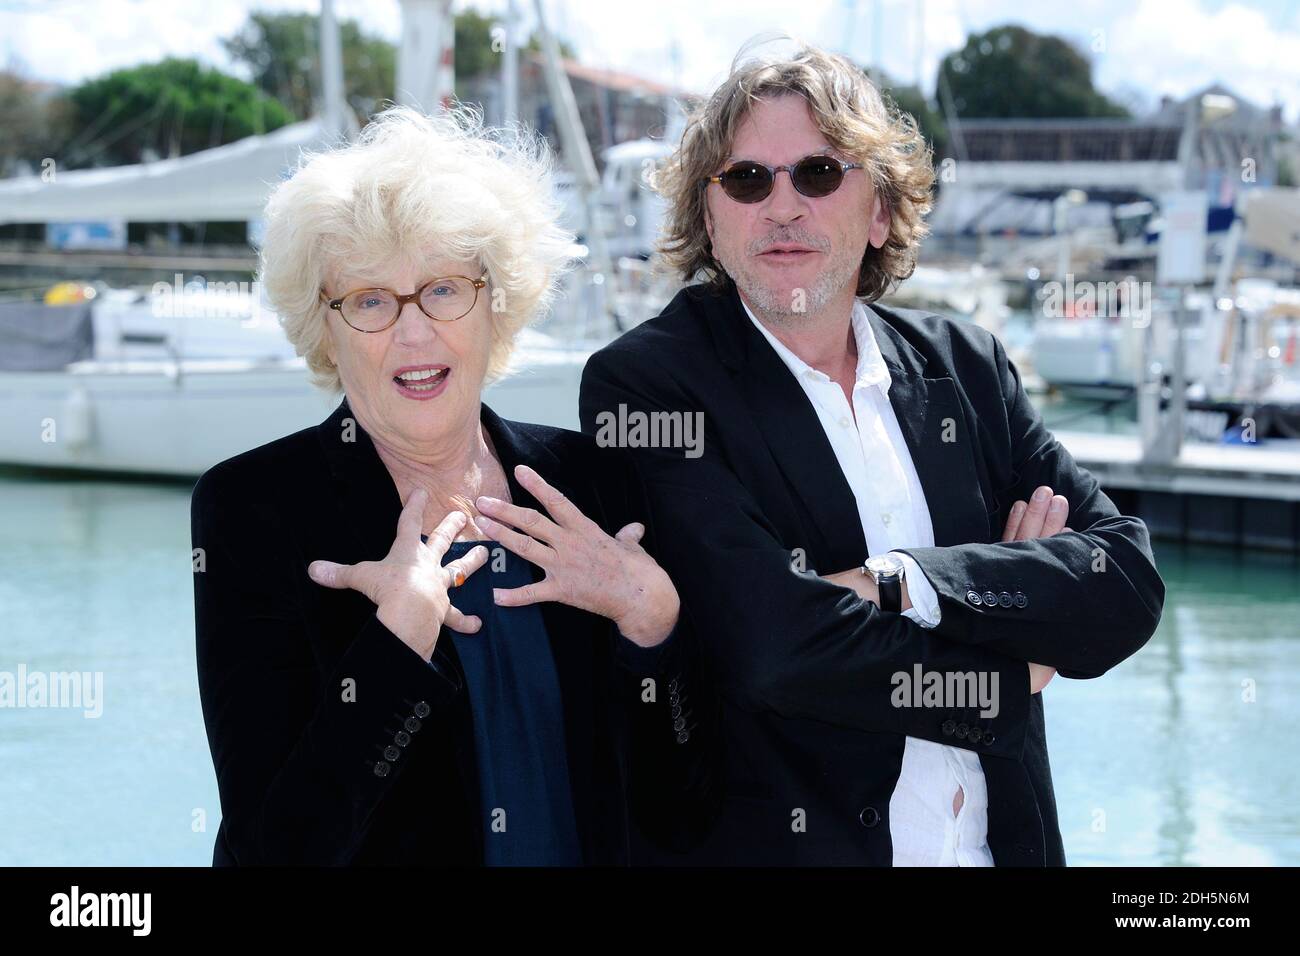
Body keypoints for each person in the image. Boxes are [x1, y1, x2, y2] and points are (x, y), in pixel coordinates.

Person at [579, 41, 1165, 866]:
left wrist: (905, 580)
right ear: (709, 218)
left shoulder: (968, 369)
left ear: (882, 210)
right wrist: (1009, 659)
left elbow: (1127, 582)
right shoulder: (647, 389)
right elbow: (773, 651)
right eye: (747, 180)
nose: (782, 206)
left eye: (818, 173)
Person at [191, 105, 717, 866]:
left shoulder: (593, 485)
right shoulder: (254, 510)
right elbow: (270, 851)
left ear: (495, 304)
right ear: (325, 329)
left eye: (444, 289)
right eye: (369, 300)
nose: (413, 332)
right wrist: (395, 648)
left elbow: (685, 816)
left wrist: (655, 626)